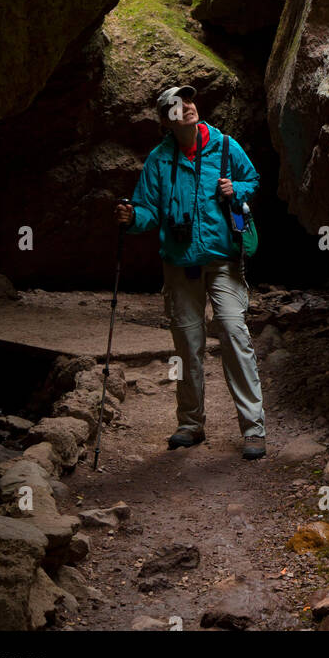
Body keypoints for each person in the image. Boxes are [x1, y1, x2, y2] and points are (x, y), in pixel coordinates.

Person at [115, 85, 266, 460]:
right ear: (167, 121)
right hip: (181, 265)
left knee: (233, 332)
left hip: (223, 259)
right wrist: (133, 217)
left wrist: (237, 189)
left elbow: (254, 181)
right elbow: (148, 209)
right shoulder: (159, 160)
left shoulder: (225, 146)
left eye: (189, 102)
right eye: (177, 106)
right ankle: (190, 423)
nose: (188, 108)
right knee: (186, 345)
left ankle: (253, 428)